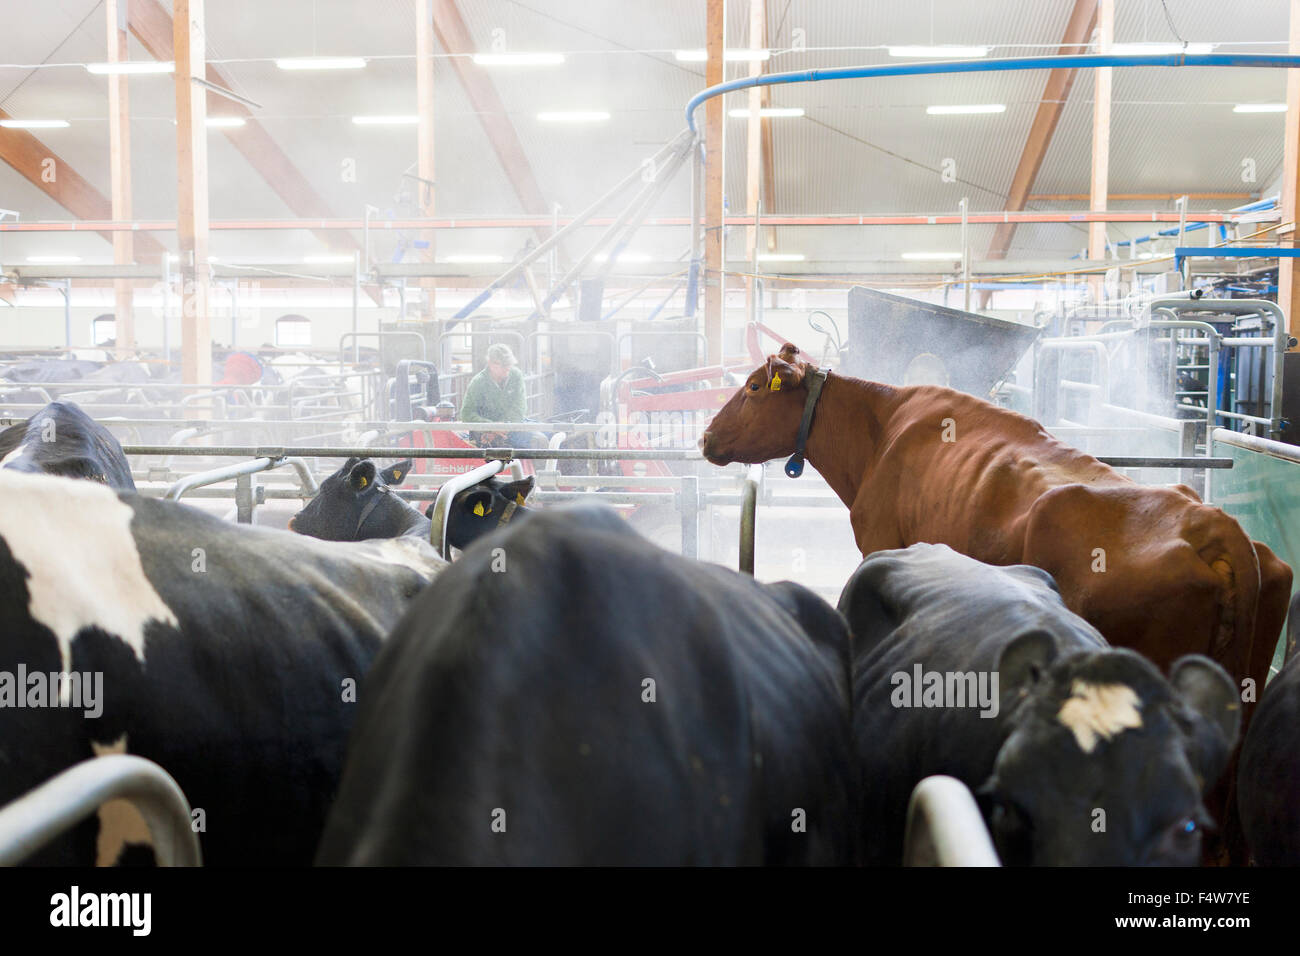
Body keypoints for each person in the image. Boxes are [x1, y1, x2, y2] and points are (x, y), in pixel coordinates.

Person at [459, 344, 544, 448]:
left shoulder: (516, 375)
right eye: (503, 365)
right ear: (490, 364)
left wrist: (503, 426)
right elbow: (466, 414)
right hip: (486, 432)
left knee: (551, 436)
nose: (507, 368)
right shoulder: (478, 382)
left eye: (509, 364)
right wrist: (491, 426)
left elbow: (519, 408)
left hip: (512, 426)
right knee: (539, 440)